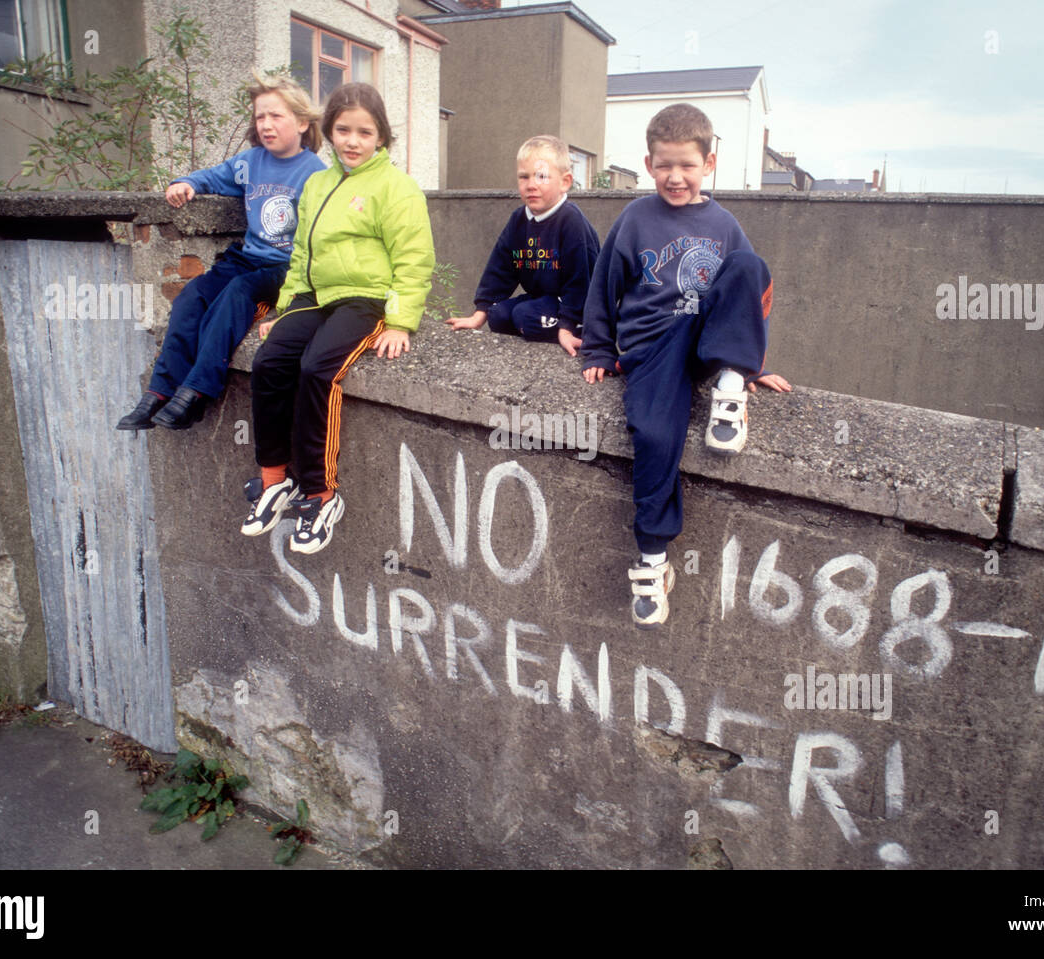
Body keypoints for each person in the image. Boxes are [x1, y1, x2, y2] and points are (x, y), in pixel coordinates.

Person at [580, 103, 793, 628]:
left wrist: (750, 363)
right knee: (653, 437)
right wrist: (600, 351)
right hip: (652, 353)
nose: (676, 177)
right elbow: (604, 288)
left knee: (749, 264)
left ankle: (729, 391)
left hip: (705, 347)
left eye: (687, 166)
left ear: (710, 163)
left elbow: (750, 294)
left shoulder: (724, 224)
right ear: (649, 164)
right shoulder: (634, 219)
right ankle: (653, 559)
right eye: (664, 165)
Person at [241, 82, 435, 554]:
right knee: (269, 363)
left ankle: (321, 494)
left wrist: (400, 321)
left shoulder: (396, 188)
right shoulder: (318, 183)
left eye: (364, 132)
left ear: (381, 138)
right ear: (328, 132)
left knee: (317, 369)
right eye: (343, 130)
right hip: (315, 294)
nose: (352, 141)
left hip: (365, 300)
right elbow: (302, 251)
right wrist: (285, 309)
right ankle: (273, 481)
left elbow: (414, 258)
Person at [116, 72, 326, 431]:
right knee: (192, 296)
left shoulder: (316, 174)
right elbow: (213, 177)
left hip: (284, 267)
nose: (266, 124)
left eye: (276, 116)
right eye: (260, 117)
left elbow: (320, 241)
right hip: (247, 257)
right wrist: (185, 183)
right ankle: (161, 391)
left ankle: (197, 391)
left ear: (303, 122)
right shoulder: (250, 162)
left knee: (235, 296)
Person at [445, 135, 599, 357]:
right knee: (498, 315)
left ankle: (575, 332)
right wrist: (480, 313)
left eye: (542, 177)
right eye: (524, 177)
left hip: (578, 307)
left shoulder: (571, 222)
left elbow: (581, 283)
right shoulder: (519, 220)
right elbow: (500, 269)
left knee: (526, 317)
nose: (531, 185)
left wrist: (566, 326)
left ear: (565, 182)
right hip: (543, 301)